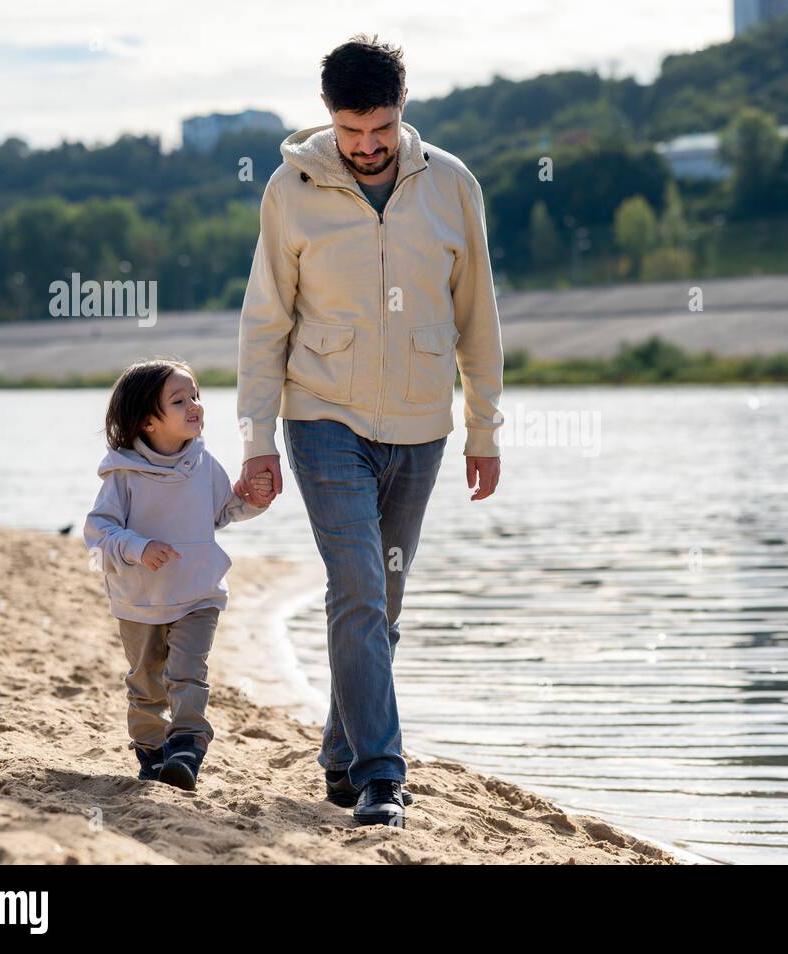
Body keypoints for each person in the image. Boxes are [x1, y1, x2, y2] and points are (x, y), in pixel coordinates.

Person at [235, 33, 505, 828]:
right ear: (329, 119)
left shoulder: (452, 187)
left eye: (380, 130)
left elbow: (477, 316)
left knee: (380, 601)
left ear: (401, 112)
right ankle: (385, 772)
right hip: (321, 416)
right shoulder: (290, 190)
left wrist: (483, 428)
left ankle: (341, 757)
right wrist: (256, 439)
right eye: (351, 133)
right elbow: (265, 320)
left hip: (421, 425)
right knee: (354, 583)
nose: (366, 147)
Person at [84, 359, 270, 791]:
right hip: (140, 600)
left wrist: (255, 499)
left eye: (196, 396)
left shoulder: (204, 463)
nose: (195, 406)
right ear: (149, 421)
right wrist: (139, 548)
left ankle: (187, 746)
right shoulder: (123, 474)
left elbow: (224, 510)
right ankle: (152, 755)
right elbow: (98, 532)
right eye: (179, 400)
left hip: (199, 593)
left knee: (188, 672)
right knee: (147, 683)